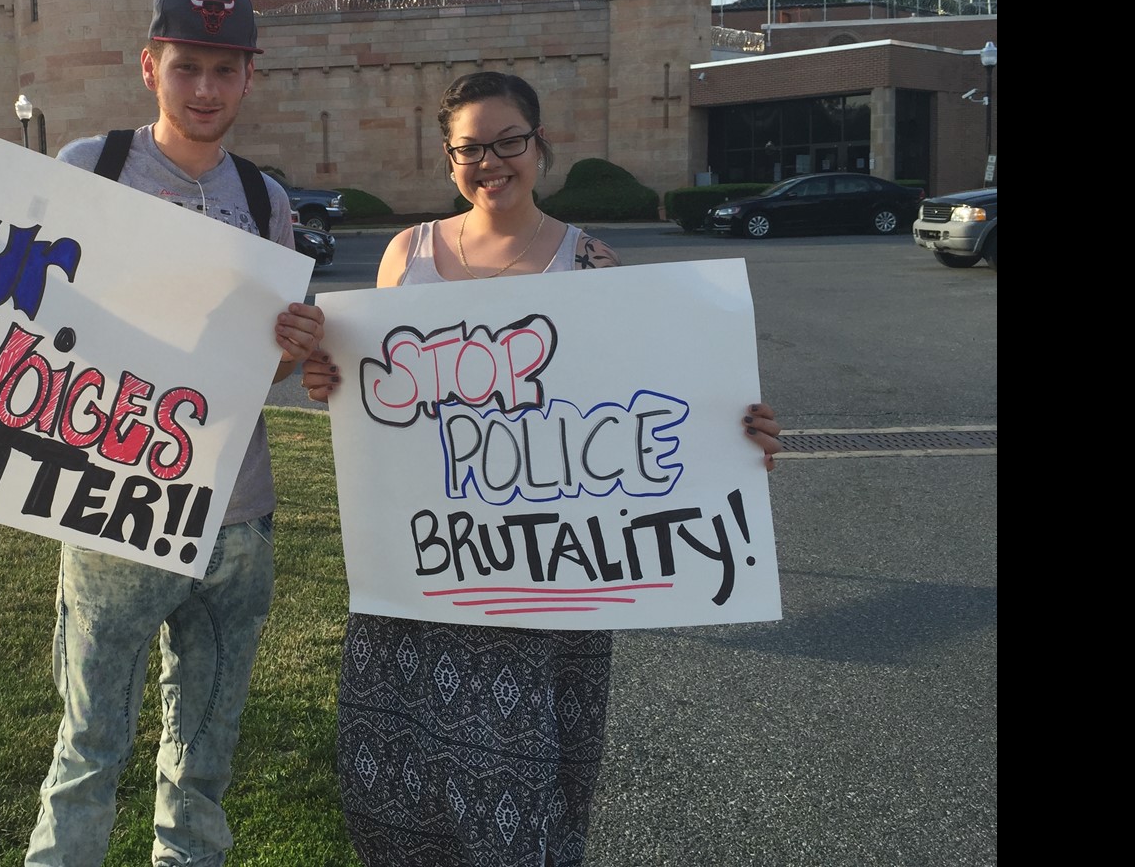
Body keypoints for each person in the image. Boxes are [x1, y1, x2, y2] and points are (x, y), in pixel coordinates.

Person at [0, 0, 326, 867]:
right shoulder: (91, 168)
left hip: (235, 515)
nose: (205, 89)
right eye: (186, 68)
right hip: (111, 507)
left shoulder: (266, 201)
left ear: (250, 78)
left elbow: (266, 366)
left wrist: (291, 345)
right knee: (90, 749)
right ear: (150, 67)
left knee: (203, 761)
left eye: (224, 70)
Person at [300, 71, 783, 867]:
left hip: (543, 580)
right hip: (423, 571)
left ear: (540, 144)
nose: (491, 162)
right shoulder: (405, 255)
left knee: (518, 799)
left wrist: (732, 438)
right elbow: (381, 400)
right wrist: (332, 382)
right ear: (449, 158)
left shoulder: (589, 264)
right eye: (469, 149)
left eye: (508, 142)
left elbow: (651, 401)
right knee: (399, 787)